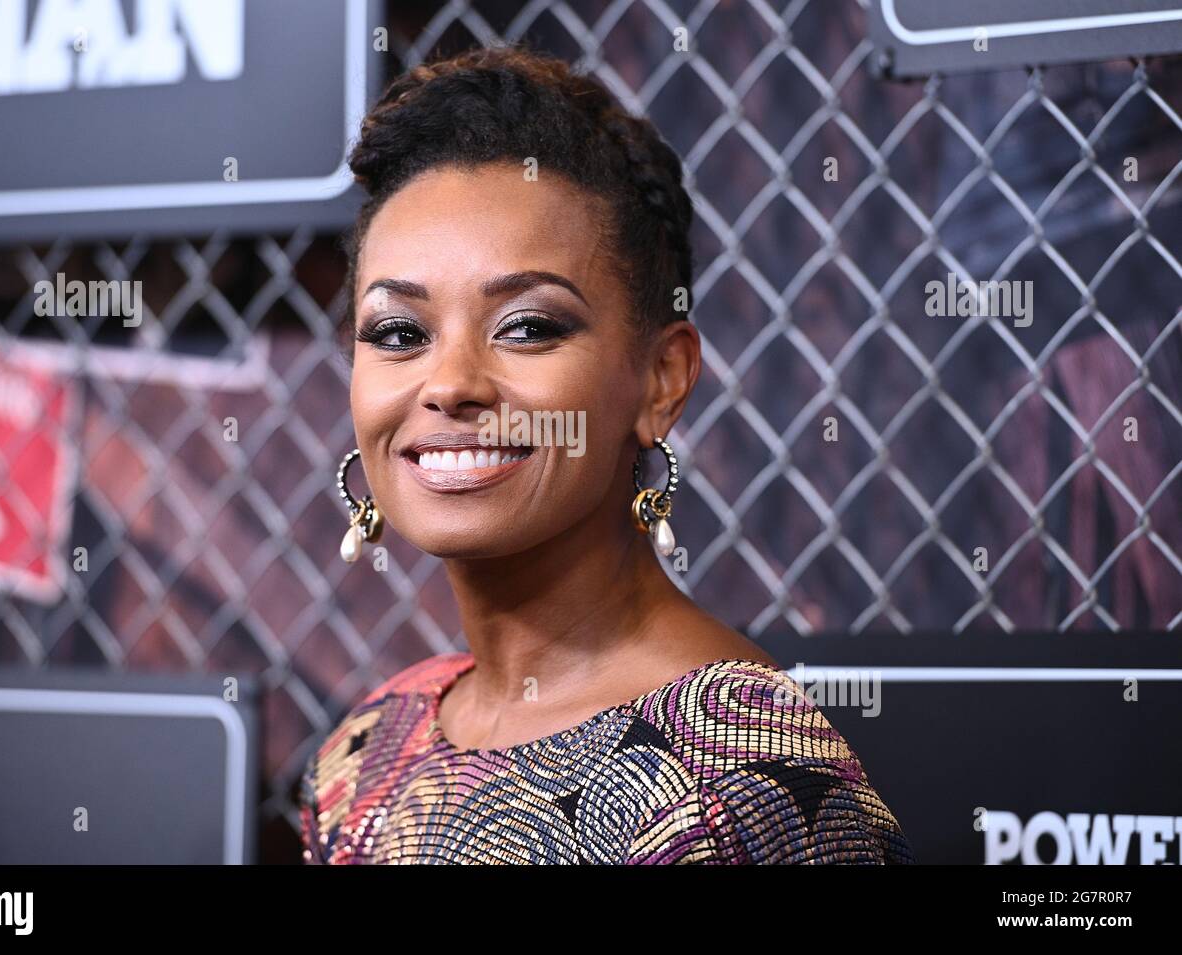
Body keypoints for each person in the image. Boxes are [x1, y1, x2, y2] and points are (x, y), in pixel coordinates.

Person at [299, 44, 913, 864]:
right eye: (399, 333)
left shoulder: (738, 781)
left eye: (528, 326)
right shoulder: (366, 750)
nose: (450, 385)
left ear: (662, 381)